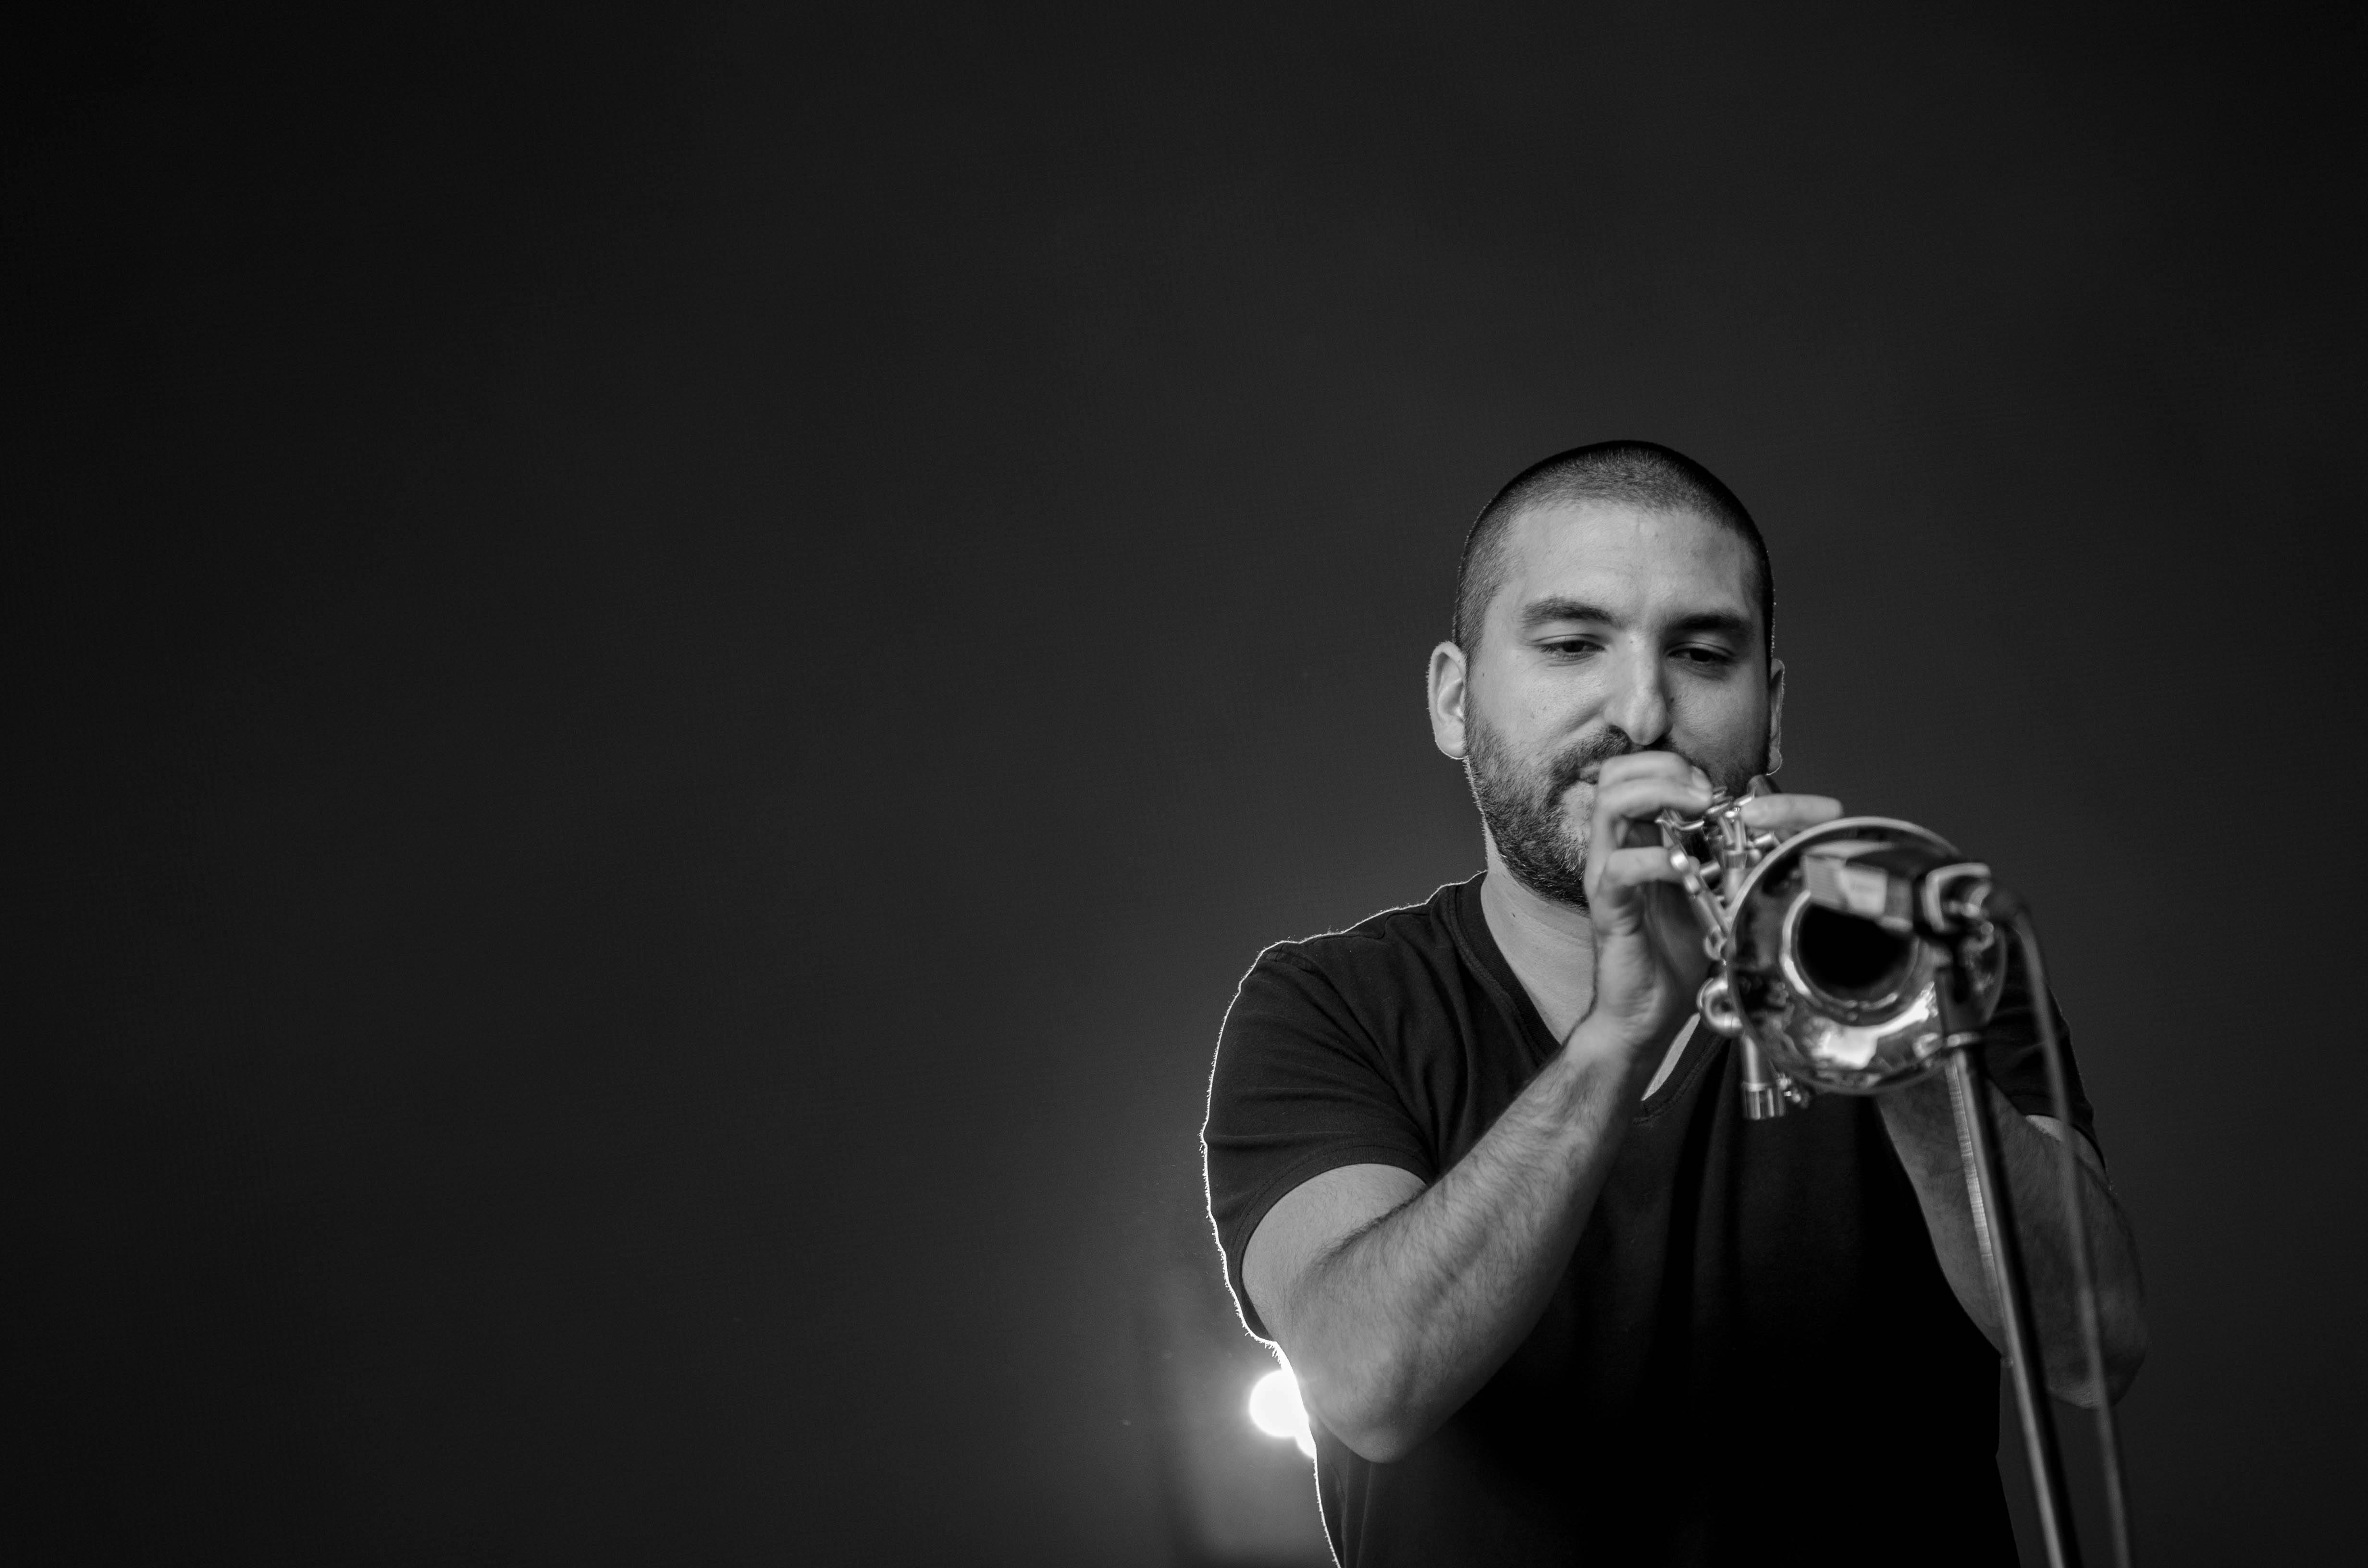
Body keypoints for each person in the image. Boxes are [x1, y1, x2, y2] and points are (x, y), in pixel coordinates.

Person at [1201, 441, 2146, 1566]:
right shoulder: (1323, 1005)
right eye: (1570, 645)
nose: (1642, 709)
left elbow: (2089, 1349)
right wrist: (1618, 1036)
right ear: (1456, 701)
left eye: (1702, 653)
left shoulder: (1925, 951)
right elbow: (1368, 1385)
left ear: (1772, 708)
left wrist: (1883, 1029)